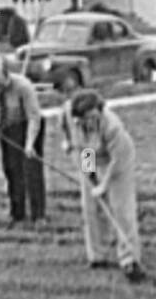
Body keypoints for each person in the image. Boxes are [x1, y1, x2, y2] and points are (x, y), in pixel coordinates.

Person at [60, 89, 145, 282]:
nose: (91, 121)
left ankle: (129, 259)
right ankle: (97, 255)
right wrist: (67, 142)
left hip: (116, 160)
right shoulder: (68, 112)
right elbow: (65, 126)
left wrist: (103, 185)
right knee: (90, 207)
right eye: (86, 118)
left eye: (94, 117)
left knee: (121, 209)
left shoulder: (113, 127)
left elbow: (116, 161)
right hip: (89, 154)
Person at [0, 56, 45, 227]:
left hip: (27, 125)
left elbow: (34, 117)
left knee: (32, 171)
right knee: (11, 170)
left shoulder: (23, 86)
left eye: (2, 84)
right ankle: (17, 213)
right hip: (7, 127)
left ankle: (38, 215)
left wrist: (30, 144)